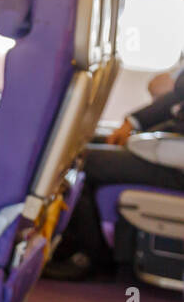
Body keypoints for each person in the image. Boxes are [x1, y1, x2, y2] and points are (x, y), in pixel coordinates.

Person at [46, 64, 184, 280]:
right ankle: (68, 243)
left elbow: (175, 93)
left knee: (81, 161)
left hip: (176, 162)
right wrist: (135, 126)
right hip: (171, 149)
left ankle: (92, 258)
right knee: (80, 147)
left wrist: (133, 123)